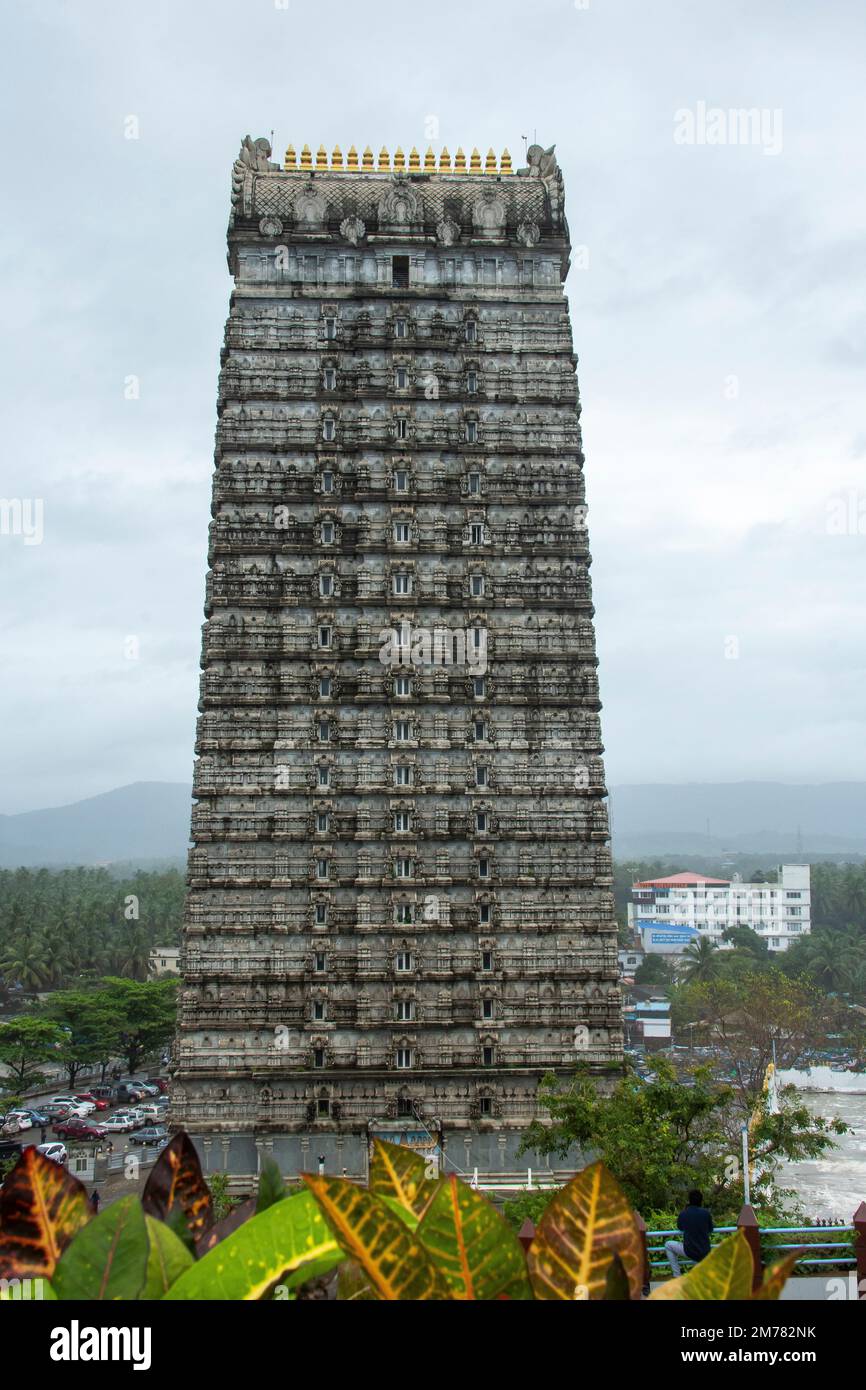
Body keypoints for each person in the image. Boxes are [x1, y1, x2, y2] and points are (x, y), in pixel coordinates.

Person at [664, 1189, 713, 1277]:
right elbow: (710, 1229)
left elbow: (680, 1227)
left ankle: (677, 1275)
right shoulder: (706, 1213)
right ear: (701, 1200)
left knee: (668, 1244)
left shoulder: (683, 1213)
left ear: (689, 1200)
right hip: (705, 1251)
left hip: (690, 1251)